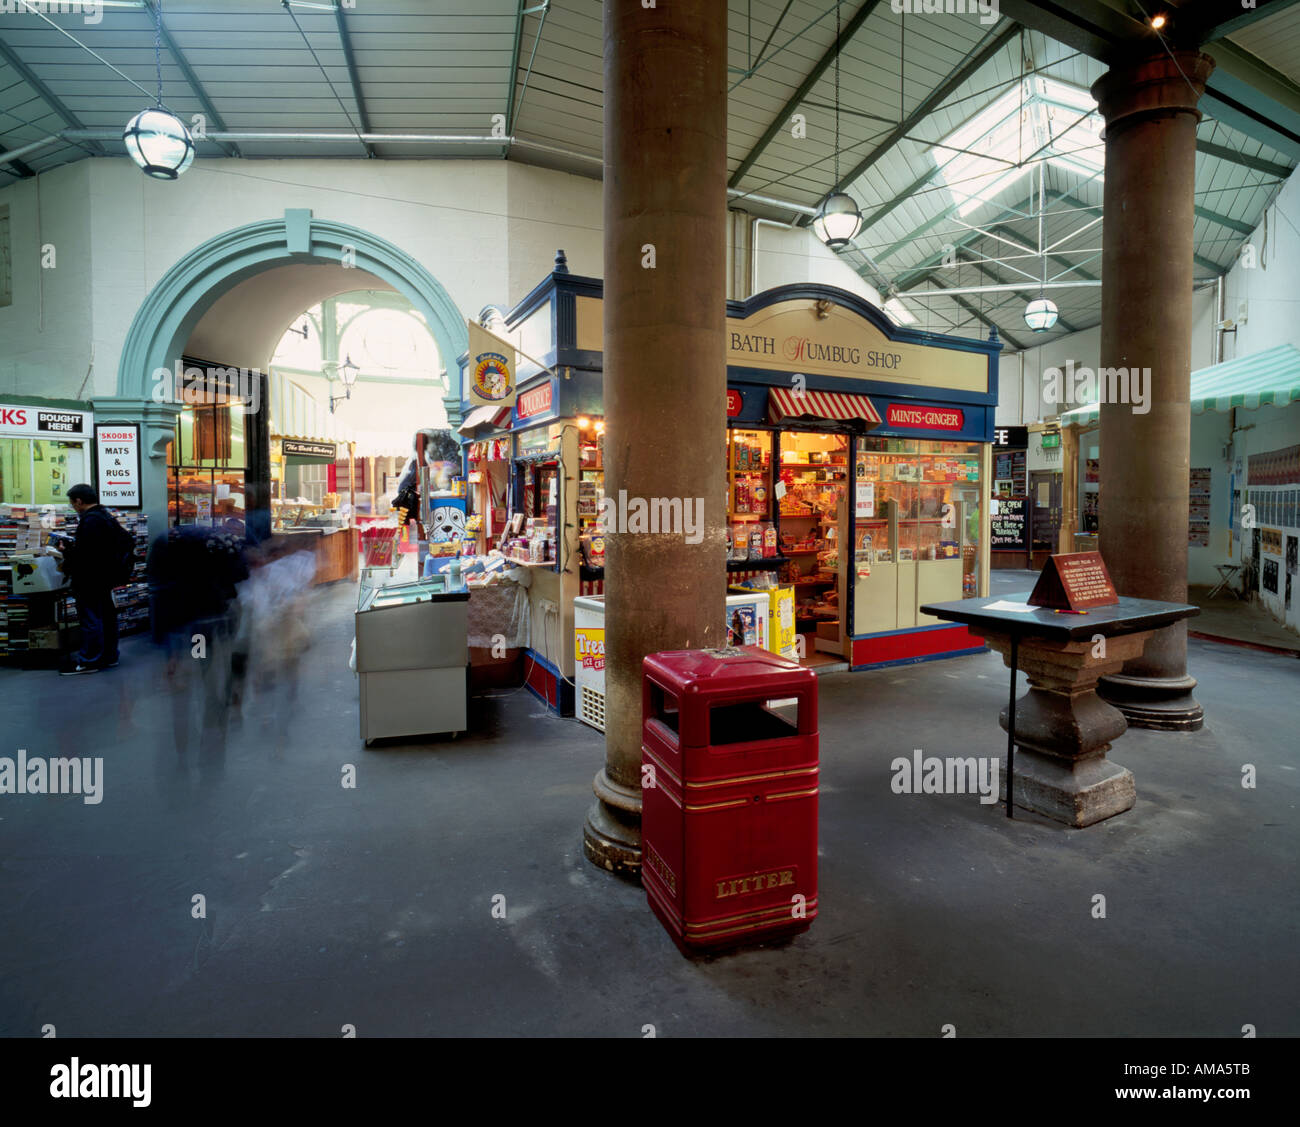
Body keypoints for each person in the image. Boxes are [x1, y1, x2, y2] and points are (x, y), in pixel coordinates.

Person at [59, 483, 133, 675]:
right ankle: (109, 656)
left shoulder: (89, 521)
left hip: (89, 579)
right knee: (107, 617)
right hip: (106, 578)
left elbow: (86, 555)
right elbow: (126, 541)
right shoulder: (106, 517)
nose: (73, 507)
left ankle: (89, 661)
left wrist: (66, 553)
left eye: (72, 503)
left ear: (79, 501)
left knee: (90, 618)